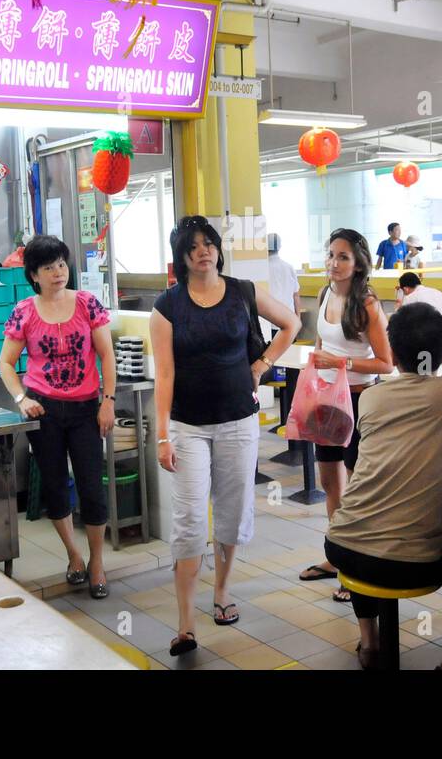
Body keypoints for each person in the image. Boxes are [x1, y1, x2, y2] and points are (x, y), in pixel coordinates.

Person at [150, 216, 300, 655]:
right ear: (182, 256)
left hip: (239, 420)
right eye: (194, 246)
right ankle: (185, 623)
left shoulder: (243, 292)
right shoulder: (167, 306)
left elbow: (291, 323)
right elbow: (164, 375)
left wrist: (260, 365)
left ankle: (222, 592)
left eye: (209, 243)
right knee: (190, 518)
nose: (204, 251)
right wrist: (161, 435)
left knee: (233, 510)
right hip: (188, 426)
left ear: (218, 248)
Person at [324, 303, 442, 670]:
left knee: (365, 541)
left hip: (340, 545)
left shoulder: (371, 397)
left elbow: (361, 457)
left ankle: (369, 643)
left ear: (393, 354)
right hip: (409, 563)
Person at [0, 235, 117, 600]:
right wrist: (21, 398)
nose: (58, 272)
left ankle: (97, 561)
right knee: (55, 488)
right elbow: (5, 363)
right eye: (48, 267)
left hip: (85, 409)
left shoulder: (87, 304)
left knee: (92, 487)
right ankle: (73, 555)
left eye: (62, 265)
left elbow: (107, 356)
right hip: (44, 411)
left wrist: (107, 401)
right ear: (33, 274)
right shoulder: (24, 311)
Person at [299, 228, 394, 602]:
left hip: (358, 399)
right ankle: (338, 558)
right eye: (331, 255)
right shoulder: (324, 294)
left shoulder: (367, 303)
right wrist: (321, 368)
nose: (334, 263)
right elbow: (322, 343)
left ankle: (356, 566)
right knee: (331, 485)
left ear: (358, 265)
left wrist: (342, 362)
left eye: (343, 258)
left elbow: (386, 363)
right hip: (326, 400)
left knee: (357, 488)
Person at [395, 271, 442, 351]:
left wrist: (399, 299)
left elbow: (396, 321)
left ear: (405, 289)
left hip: (429, 350)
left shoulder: (410, 298)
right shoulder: (438, 292)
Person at [264, 232, 302, 340]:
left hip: (269, 322)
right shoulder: (289, 267)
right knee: (290, 354)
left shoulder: (262, 267)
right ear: (280, 247)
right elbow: (296, 296)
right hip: (289, 320)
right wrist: (298, 319)